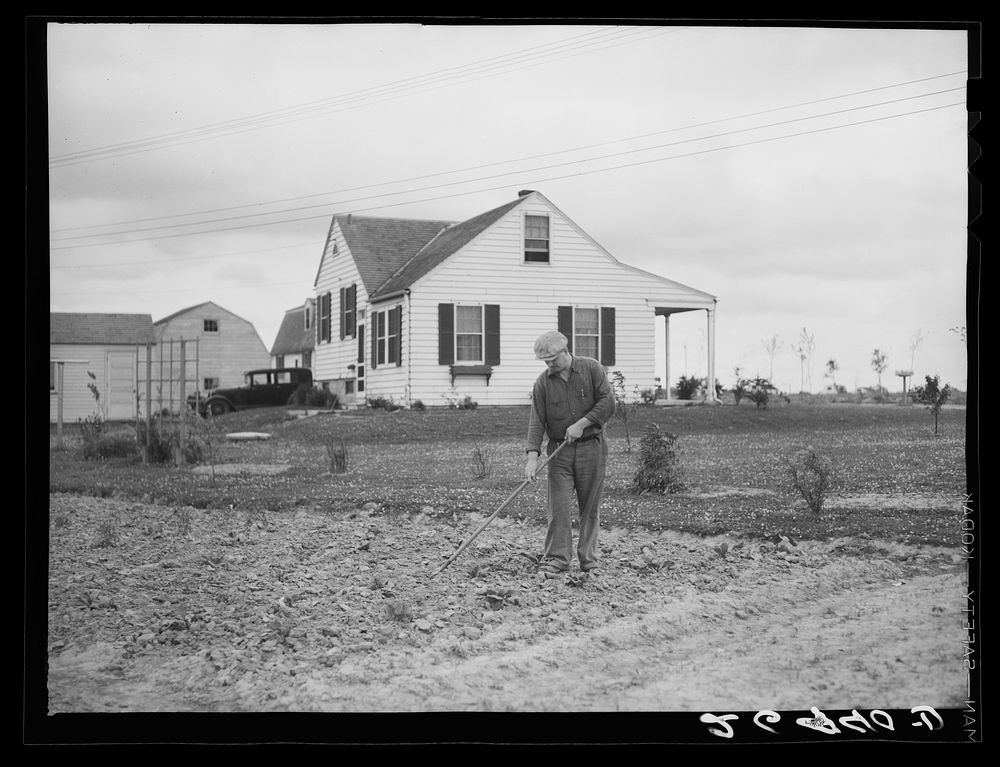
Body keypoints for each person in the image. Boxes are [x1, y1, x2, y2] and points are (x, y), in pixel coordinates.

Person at [524, 330, 616, 578]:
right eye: (545, 361)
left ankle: (589, 560)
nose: (549, 365)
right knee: (559, 508)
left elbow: (608, 403)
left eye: (553, 359)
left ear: (566, 351)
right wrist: (532, 457)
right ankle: (557, 559)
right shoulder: (542, 383)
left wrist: (582, 423)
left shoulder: (592, 369)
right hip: (559, 453)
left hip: (592, 448)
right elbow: (536, 421)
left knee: (590, 508)